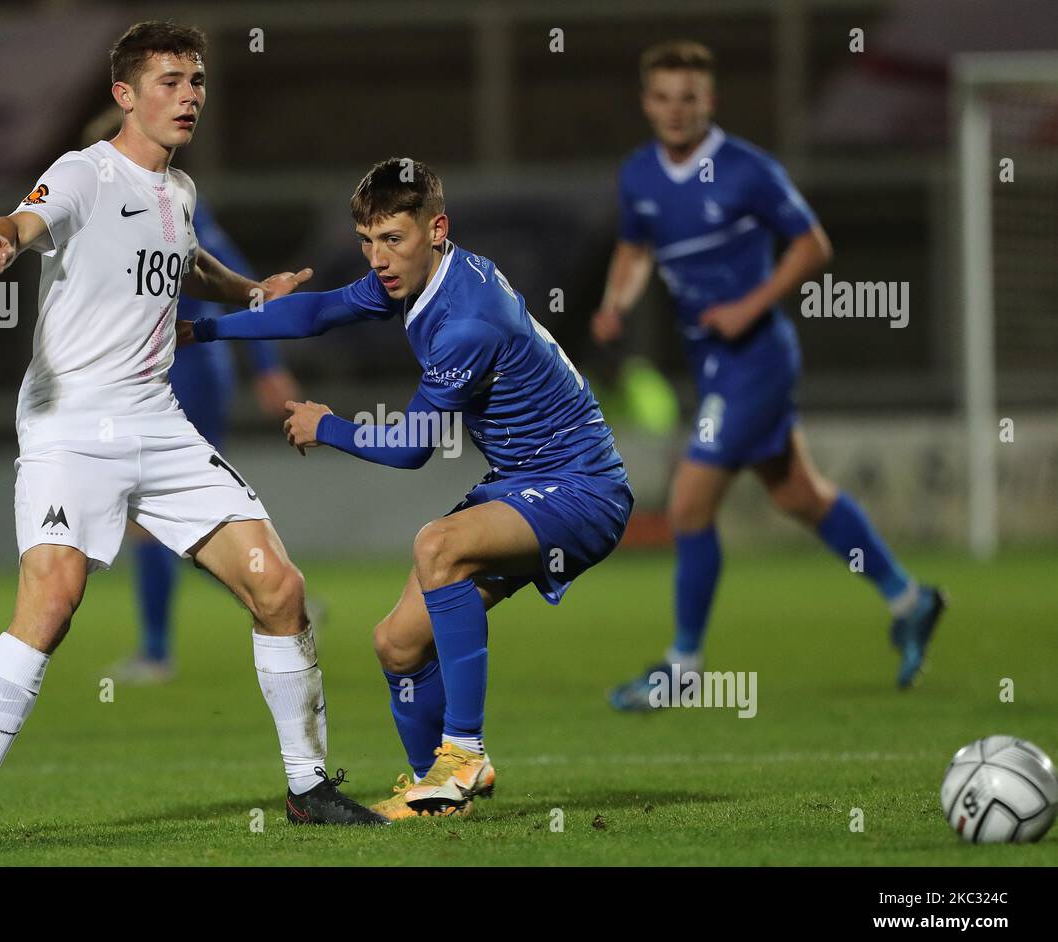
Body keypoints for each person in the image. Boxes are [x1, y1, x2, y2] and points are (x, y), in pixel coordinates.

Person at [0, 20, 385, 842]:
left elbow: (189, 262)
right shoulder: (83, 173)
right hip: (69, 426)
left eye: (198, 81)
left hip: (159, 423)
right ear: (125, 95)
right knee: (54, 600)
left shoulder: (180, 192)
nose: (189, 97)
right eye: (170, 81)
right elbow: (25, 220)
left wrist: (253, 292)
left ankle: (308, 788)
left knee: (277, 587)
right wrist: (0, 239)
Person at [184, 158, 633, 818]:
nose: (378, 259)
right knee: (397, 642)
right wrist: (203, 329)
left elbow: (412, 448)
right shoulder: (419, 279)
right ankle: (438, 792)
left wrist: (326, 425)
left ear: (436, 229)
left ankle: (465, 755)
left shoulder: (467, 322)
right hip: (524, 483)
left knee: (438, 545)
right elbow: (320, 312)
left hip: (580, 488)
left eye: (392, 239)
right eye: (367, 241)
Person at [589, 40, 944, 711]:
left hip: (755, 358)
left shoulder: (745, 169)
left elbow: (814, 243)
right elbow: (634, 250)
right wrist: (615, 303)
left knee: (690, 502)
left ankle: (683, 668)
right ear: (646, 103)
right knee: (801, 496)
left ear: (709, 102)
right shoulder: (639, 175)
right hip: (711, 360)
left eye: (687, 98)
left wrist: (749, 304)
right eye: (662, 97)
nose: (674, 110)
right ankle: (911, 599)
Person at [116, 199, 300, 685]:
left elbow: (243, 285)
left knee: (150, 513)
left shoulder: (172, 207)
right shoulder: (119, 206)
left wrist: (268, 367)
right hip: (162, 374)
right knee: (168, 513)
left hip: (186, 373)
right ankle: (271, 585)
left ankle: (158, 651)